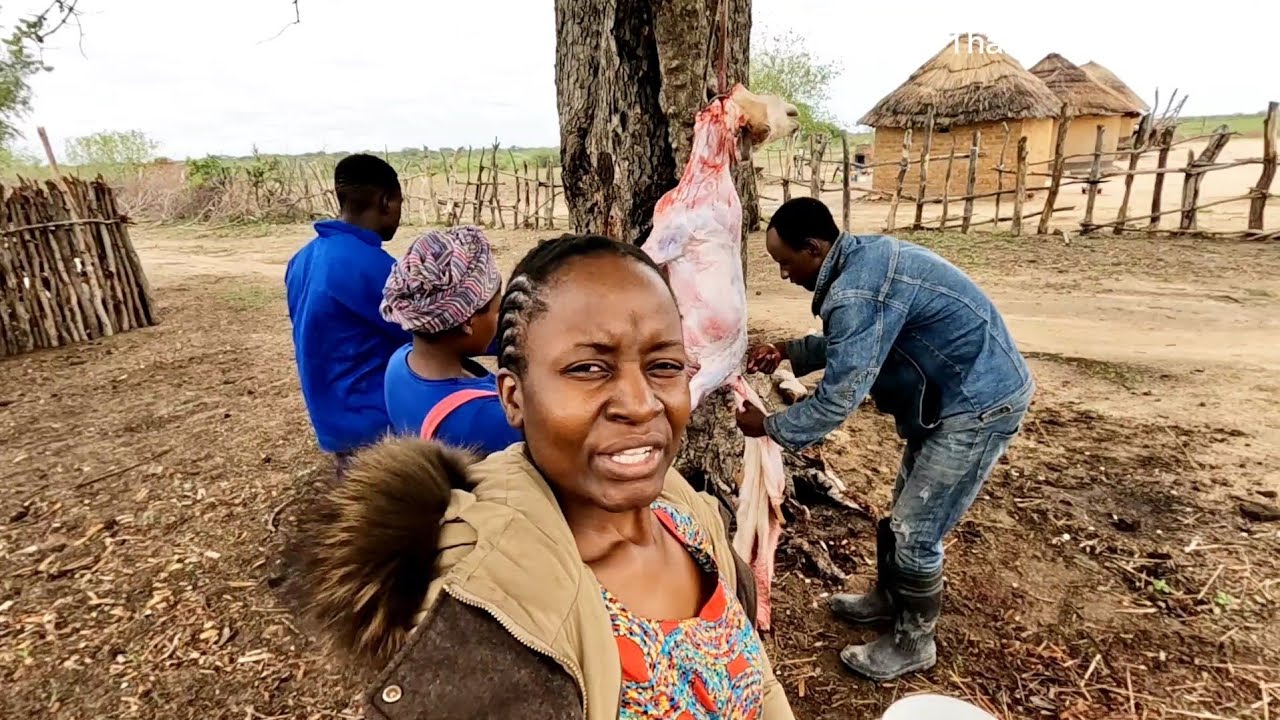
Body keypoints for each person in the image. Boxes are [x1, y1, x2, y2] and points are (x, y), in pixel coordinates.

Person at [287, 234, 794, 719]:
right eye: (588, 369)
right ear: (513, 398)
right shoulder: (491, 617)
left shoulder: (685, 514)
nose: (642, 404)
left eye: (664, 365)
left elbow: (759, 680)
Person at [735, 197, 1035, 683]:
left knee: (916, 530)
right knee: (903, 513)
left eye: (786, 263)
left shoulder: (855, 290)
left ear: (813, 248)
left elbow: (838, 399)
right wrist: (790, 350)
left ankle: (914, 642)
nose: (784, 275)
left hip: (979, 403)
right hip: (949, 395)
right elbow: (861, 338)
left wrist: (769, 426)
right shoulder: (863, 260)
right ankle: (888, 599)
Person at [285, 153, 409, 479]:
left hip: (332, 418)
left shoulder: (302, 259)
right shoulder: (373, 268)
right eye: (400, 203)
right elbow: (429, 332)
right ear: (386, 201)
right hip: (377, 422)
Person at [380, 226, 522, 456]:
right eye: (497, 310)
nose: (501, 319)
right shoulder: (492, 419)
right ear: (468, 322)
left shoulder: (399, 363)